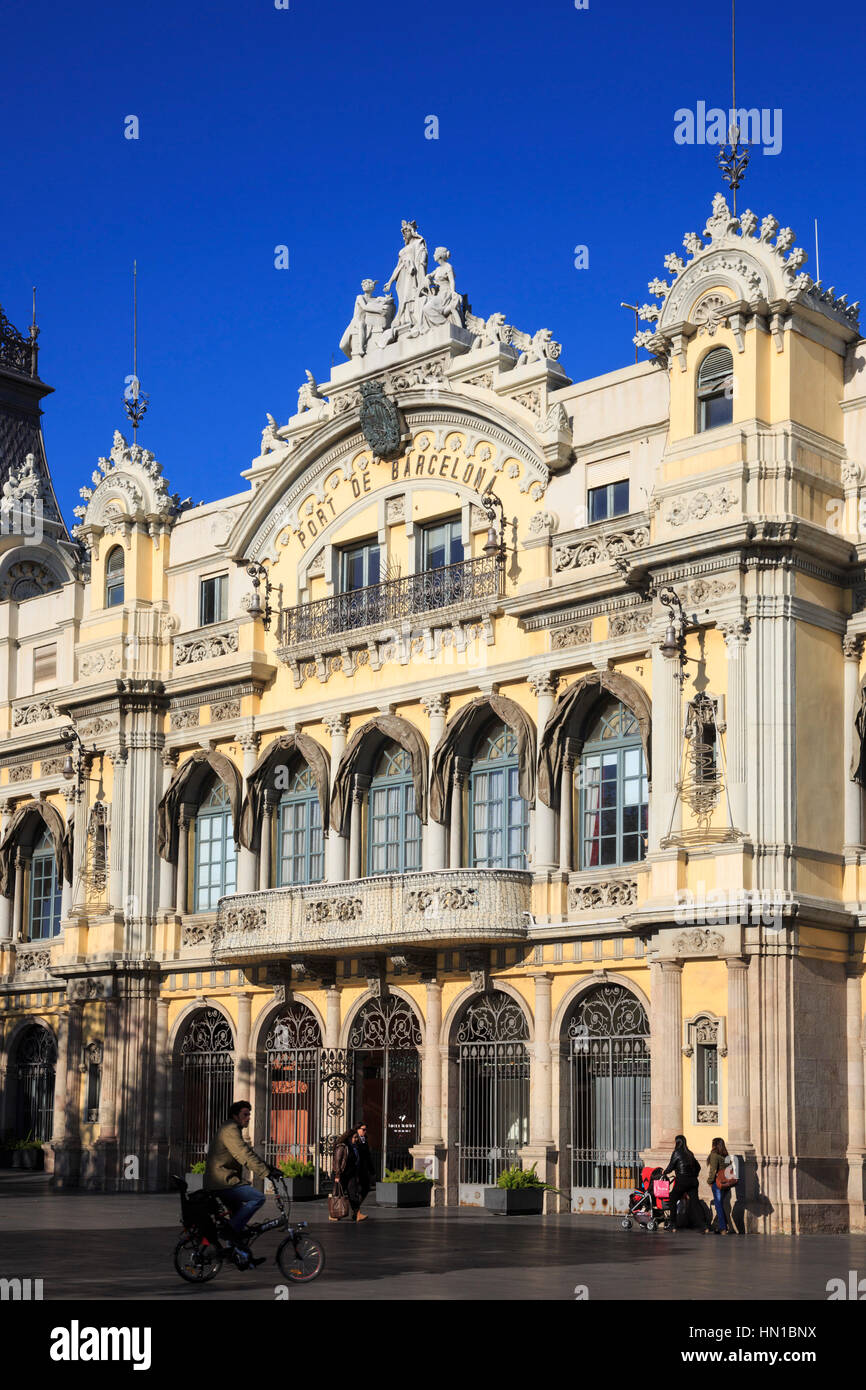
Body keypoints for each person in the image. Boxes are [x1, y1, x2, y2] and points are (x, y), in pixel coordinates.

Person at [204, 1100, 281, 1267]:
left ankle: (242, 1256)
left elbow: (249, 1153)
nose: (248, 1118)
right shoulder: (230, 1129)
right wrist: (265, 1173)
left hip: (225, 1180)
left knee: (238, 1218)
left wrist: (269, 1167)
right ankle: (229, 1232)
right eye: (245, 1114)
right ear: (235, 1115)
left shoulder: (232, 1129)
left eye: (249, 1115)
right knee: (258, 1198)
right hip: (222, 1181)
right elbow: (243, 1154)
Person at [663, 1133, 710, 1232]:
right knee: (695, 1203)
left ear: (677, 1142)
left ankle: (673, 1225)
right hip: (693, 1181)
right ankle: (703, 1226)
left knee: (672, 1199)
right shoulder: (690, 1153)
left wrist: (664, 1172)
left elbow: (671, 1166)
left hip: (682, 1181)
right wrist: (694, 1175)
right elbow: (698, 1166)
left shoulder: (676, 1152)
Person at [331, 1126, 360, 1221]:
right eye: (355, 1137)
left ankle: (357, 1214)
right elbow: (337, 1161)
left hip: (351, 1174)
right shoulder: (342, 1147)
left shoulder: (353, 1147)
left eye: (357, 1137)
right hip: (342, 1175)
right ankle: (334, 1214)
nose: (356, 1139)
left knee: (353, 1194)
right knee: (338, 1194)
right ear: (349, 1137)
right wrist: (337, 1175)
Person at [707, 1136, 733, 1235]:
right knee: (720, 1205)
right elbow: (729, 1168)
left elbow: (713, 1170)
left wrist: (710, 1181)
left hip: (718, 1183)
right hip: (726, 1183)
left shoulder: (714, 1155)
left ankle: (723, 1228)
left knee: (718, 1206)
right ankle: (721, 1226)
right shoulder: (726, 1155)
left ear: (714, 1145)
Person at [353, 1122, 377, 1219]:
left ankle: (355, 1207)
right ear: (358, 1129)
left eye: (366, 1129)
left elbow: (367, 1156)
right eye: (363, 1129)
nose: (365, 1131)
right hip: (356, 1169)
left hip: (364, 1168)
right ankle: (356, 1212)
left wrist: (372, 1170)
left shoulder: (364, 1139)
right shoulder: (354, 1139)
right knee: (355, 1190)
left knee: (366, 1188)